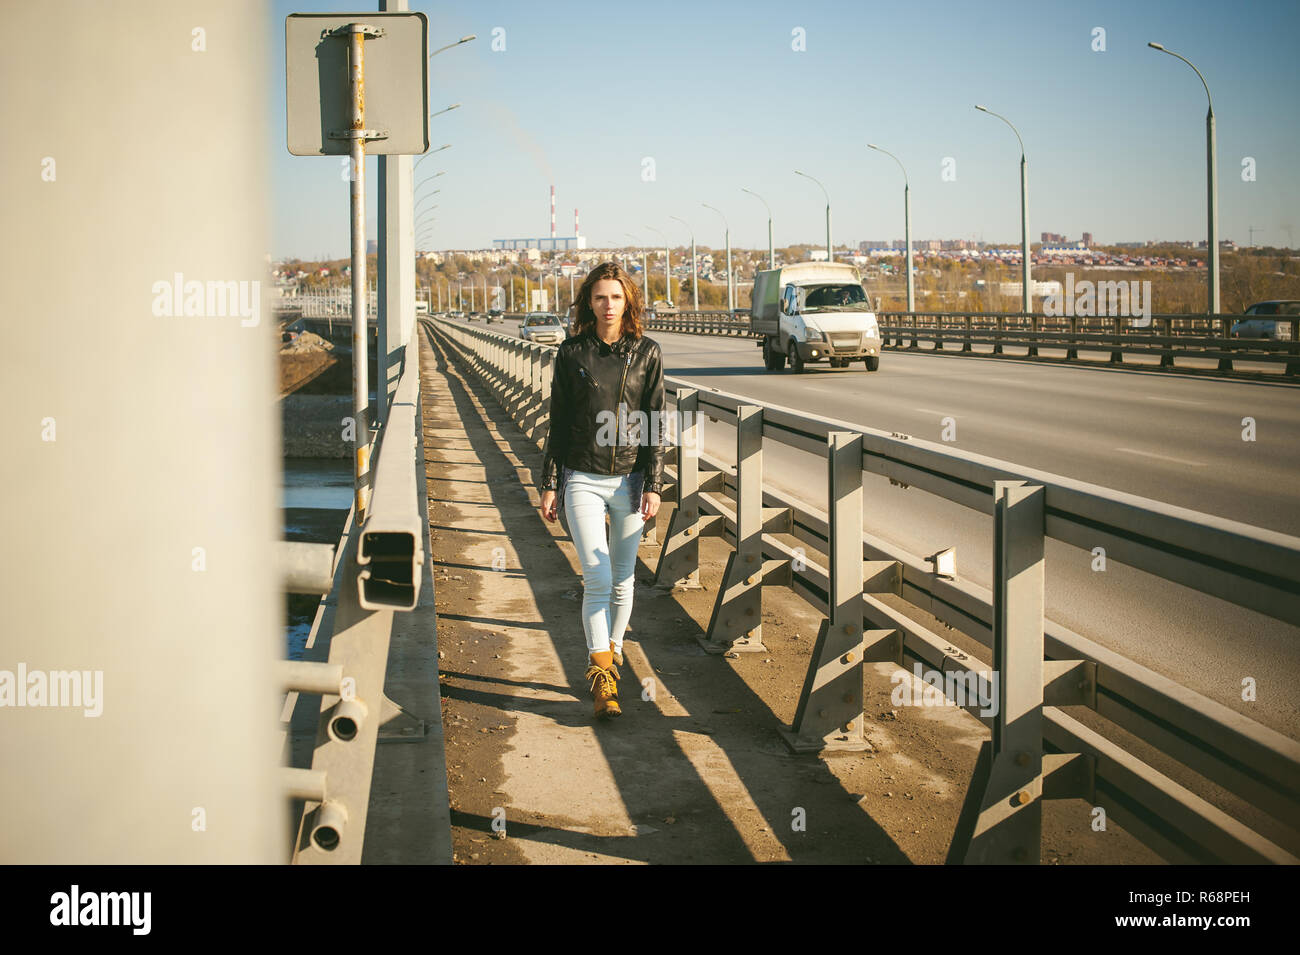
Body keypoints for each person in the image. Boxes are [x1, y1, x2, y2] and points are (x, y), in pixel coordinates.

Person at [538, 261, 666, 721]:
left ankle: (610, 651)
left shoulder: (647, 352)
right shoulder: (572, 353)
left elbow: (655, 421)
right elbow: (558, 421)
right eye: (599, 297)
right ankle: (603, 677)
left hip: (631, 479)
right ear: (588, 303)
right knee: (597, 576)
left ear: (627, 301)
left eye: (615, 296)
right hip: (583, 478)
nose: (608, 305)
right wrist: (550, 482)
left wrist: (654, 484)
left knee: (623, 579)